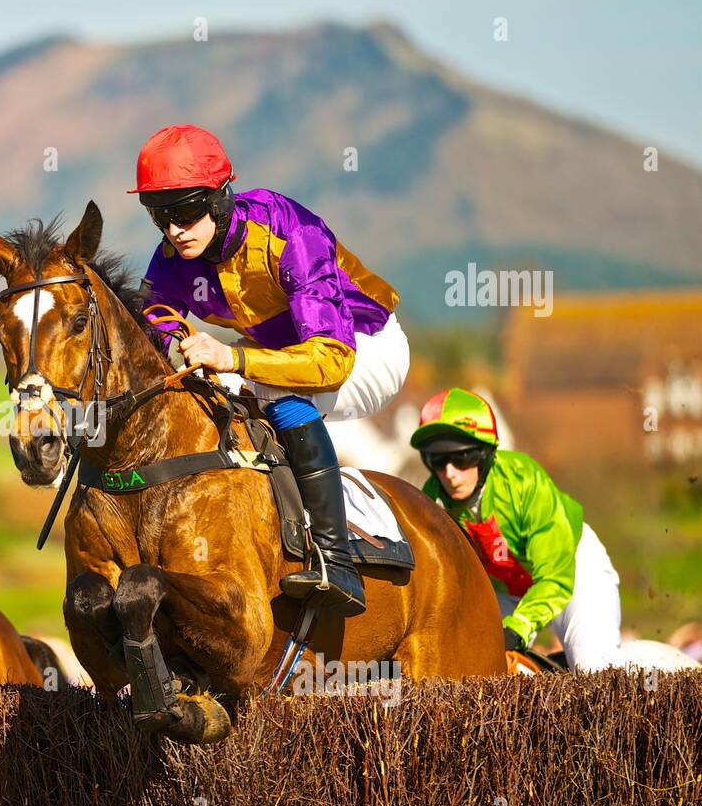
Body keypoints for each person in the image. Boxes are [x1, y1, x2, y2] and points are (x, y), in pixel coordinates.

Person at [132, 124, 409, 615]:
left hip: (363, 347)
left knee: (276, 392)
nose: (174, 230)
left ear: (219, 199)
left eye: (186, 211)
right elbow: (152, 311)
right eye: (160, 216)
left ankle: (336, 562)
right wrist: (178, 341)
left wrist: (231, 357)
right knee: (206, 391)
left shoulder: (290, 235)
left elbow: (330, 361)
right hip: (281, 351)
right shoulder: (177, 252)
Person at [410, 387, 625, 671]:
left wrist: (519, 626)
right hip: (506, 589)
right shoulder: (432, 500)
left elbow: (554, 577)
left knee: (594, 670)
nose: (449, 473)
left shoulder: (524, 480)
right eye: (437, 460)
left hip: (572, 572)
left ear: (485, 454)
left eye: (462, 459)